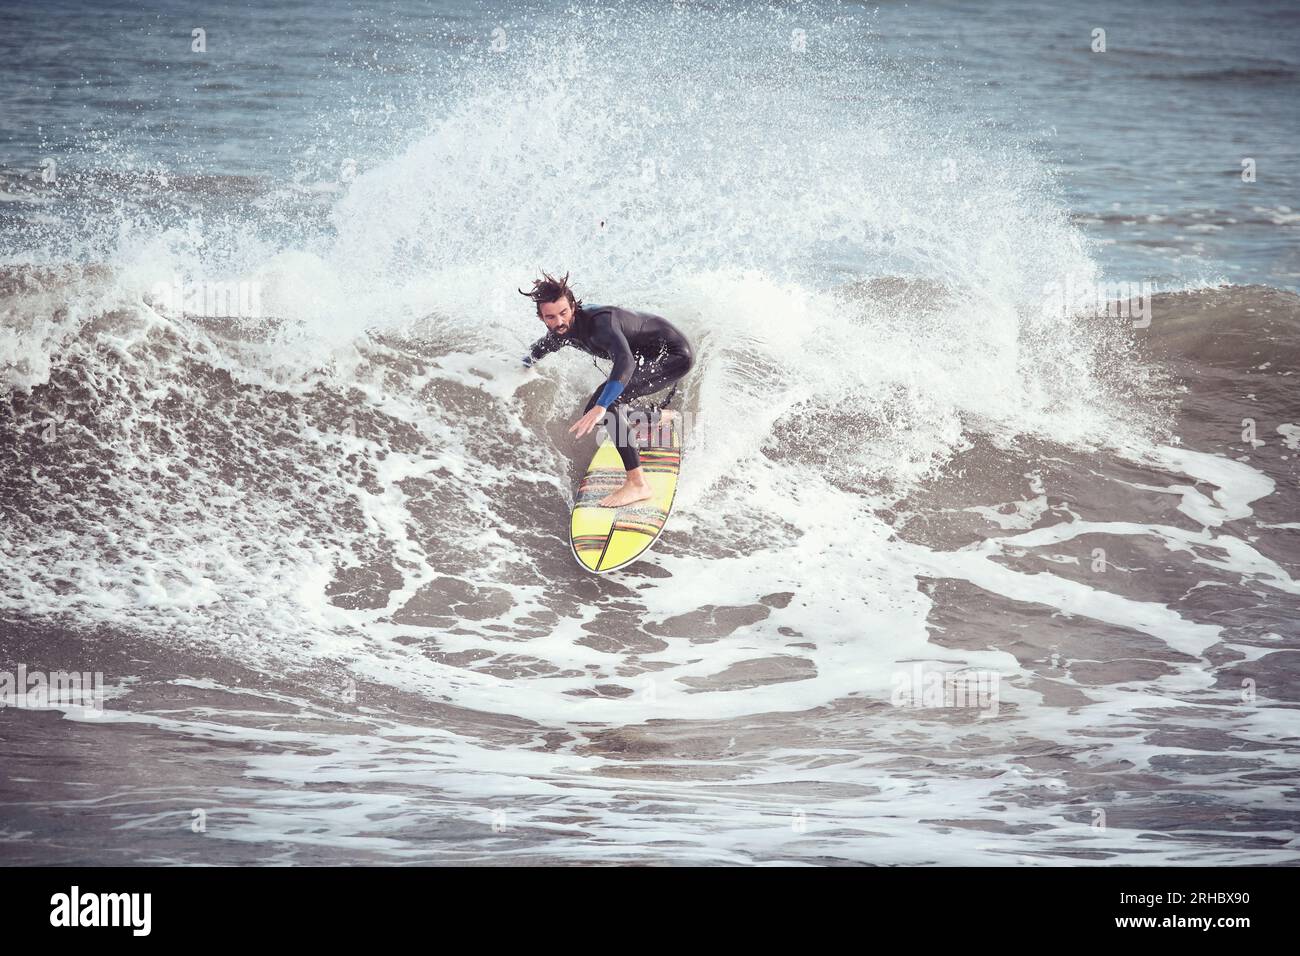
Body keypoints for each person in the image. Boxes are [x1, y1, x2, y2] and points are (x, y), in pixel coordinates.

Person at [519, 272, 694, 507]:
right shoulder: (562, 332)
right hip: (650, 355)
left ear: (573, 306)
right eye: (550, 317)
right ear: (541, 318)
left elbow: (626, 362)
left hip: (673, 355)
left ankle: (638, 484)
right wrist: (516, 369)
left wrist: (603, 405)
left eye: (563, 313)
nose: (559, 321)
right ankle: (659, 417)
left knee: (606, 405)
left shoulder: (600, 324)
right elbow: (537, 351)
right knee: (595, 411)